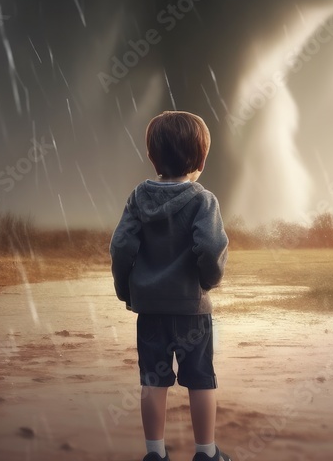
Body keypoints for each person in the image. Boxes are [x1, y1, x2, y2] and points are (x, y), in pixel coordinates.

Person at [110, 111, 231, 461]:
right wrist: (208, 281)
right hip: (192, 311)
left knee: (152, 381)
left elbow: (121, 246)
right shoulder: (202, 200)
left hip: (150, 311)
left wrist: (126, 290)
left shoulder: (138, 197)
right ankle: (206, 453)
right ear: (202, 159)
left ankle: (154, 453)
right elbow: (210, 248)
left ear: (152, 156)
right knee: (201, 379)